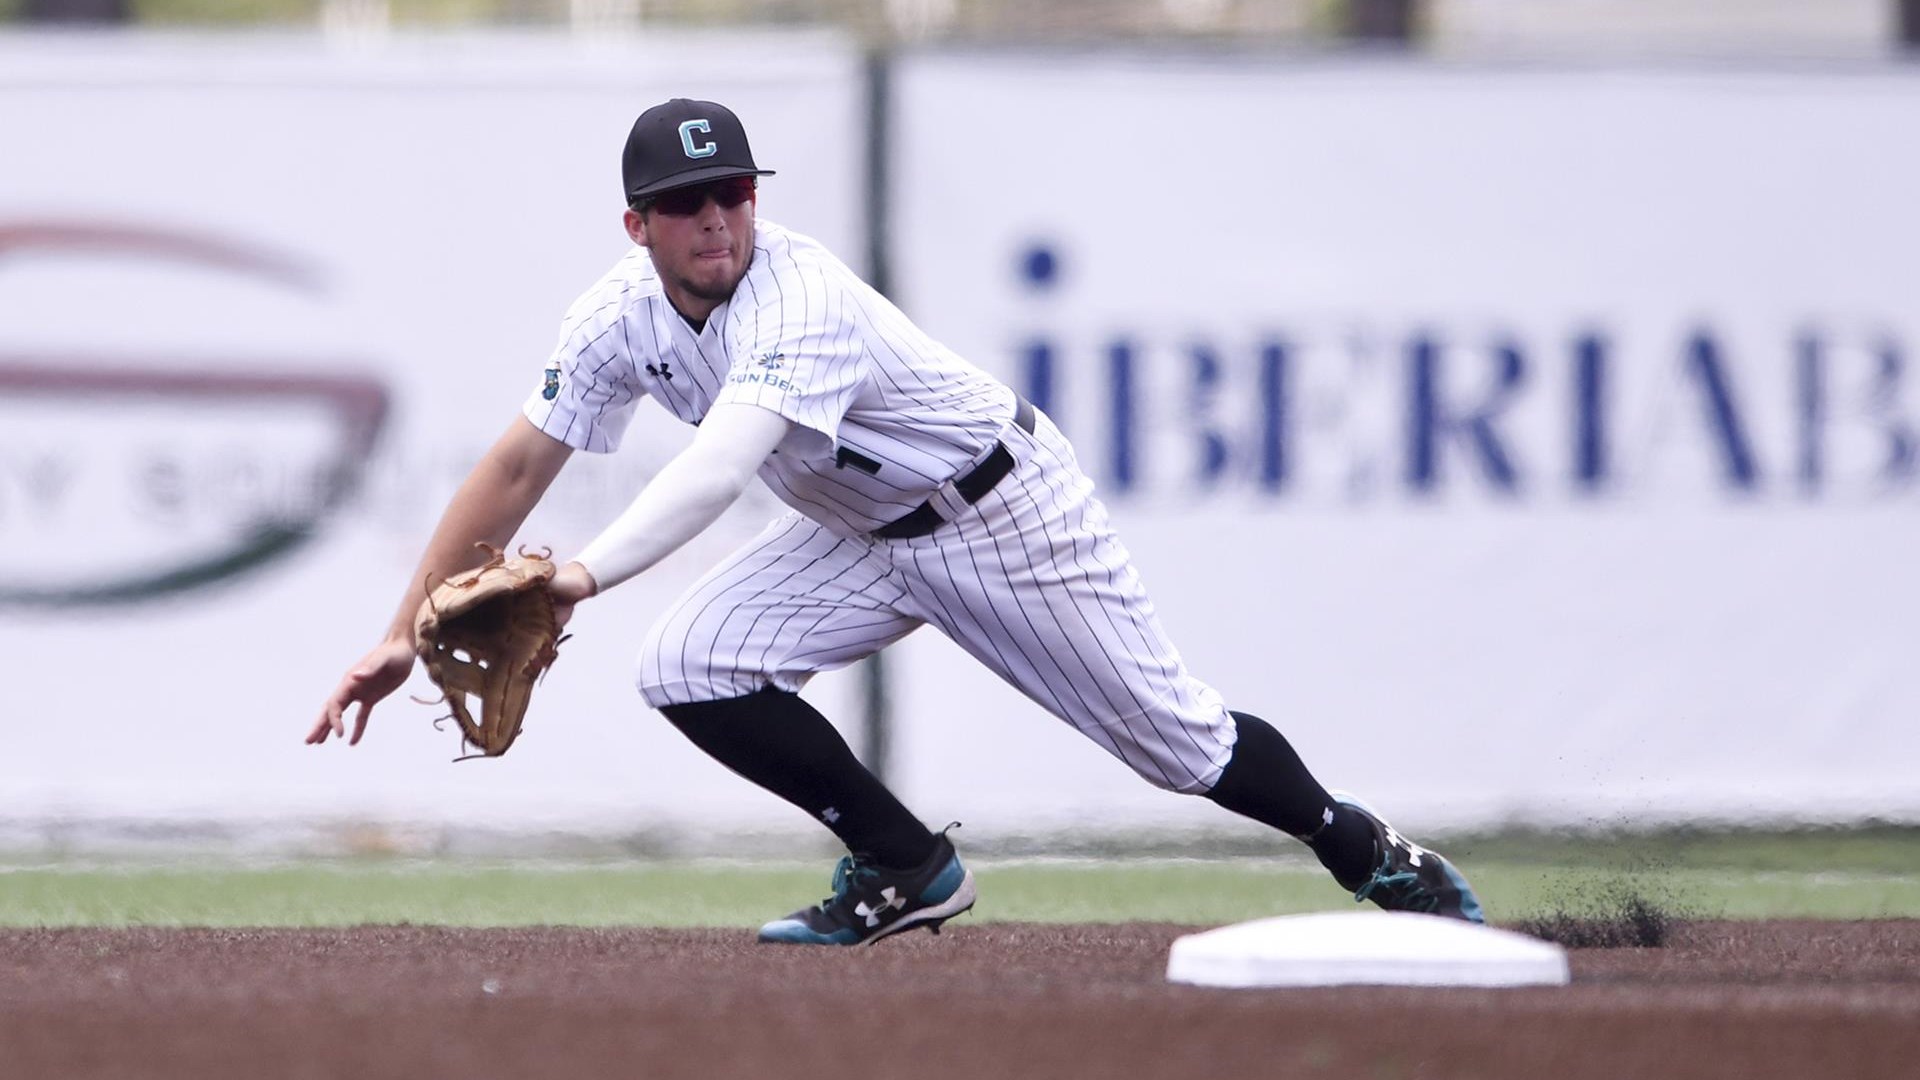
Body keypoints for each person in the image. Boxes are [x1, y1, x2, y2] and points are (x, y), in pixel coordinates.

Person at [311, 97, 1484, 945]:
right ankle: (906, 865)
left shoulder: (796, 295)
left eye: (734, 192)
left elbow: (720, 470)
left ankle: (1365, 848)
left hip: (998, 511)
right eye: (686, 202)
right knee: (688, 665)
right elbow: (519, 461)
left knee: (1183, 749)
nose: (718, 218)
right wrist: (408, 628)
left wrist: (577, 580)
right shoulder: (617, 317)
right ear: (639, 226)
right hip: (857, 533)